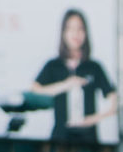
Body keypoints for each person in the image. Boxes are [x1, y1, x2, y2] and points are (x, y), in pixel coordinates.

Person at [30, 10, 118, 143]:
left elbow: (113, 102)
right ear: (63, 32)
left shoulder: (94, 66)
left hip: (88, 138)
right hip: (60, 137)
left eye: (80, 29)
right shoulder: (54, 65)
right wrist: (66, 85)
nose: (75, 34)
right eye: (70, 28)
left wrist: (92, 119)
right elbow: (34, 89)